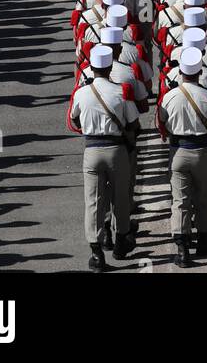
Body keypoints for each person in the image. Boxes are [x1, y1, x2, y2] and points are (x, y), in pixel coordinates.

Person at [68, 43, 139, 273]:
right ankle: (120, 242)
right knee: (120, 198)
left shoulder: (81, 92)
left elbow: (74, 120)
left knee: (93, 201)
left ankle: (97, 253)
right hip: (116, 149)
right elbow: (133, 122)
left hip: (91, 149)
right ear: (110, 67)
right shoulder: (121, 91)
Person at [159, 45, 207, 267]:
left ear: (180, 72)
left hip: (178, 150)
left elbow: (160, 124)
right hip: (202, 151)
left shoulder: (169, 96)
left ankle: (182, 247)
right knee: (203, 196)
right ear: (200, 72)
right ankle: (204, 239)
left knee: (180, 200)